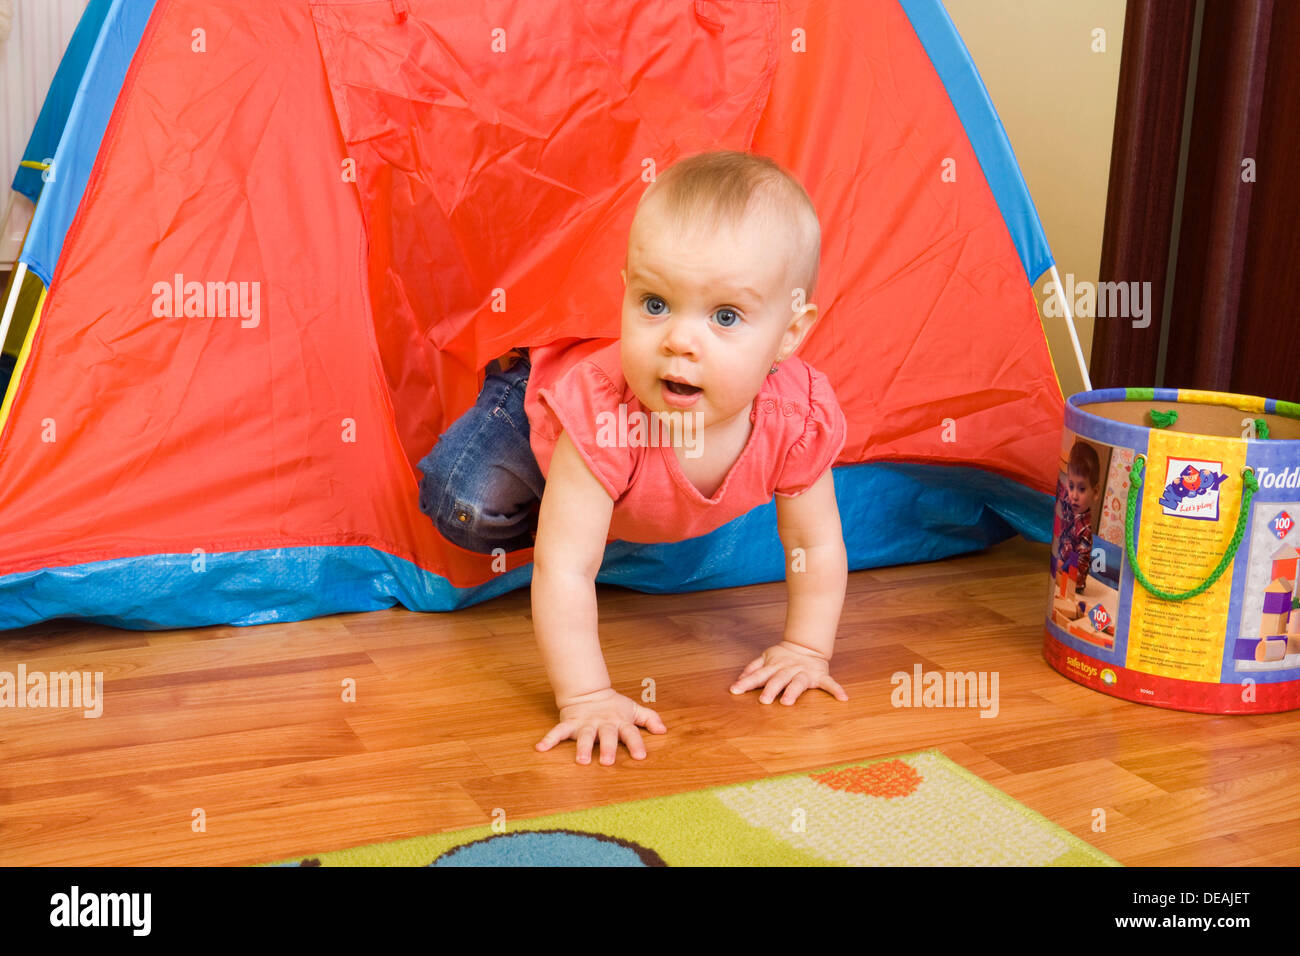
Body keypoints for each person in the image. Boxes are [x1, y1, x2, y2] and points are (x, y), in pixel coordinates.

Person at [418, 150, 849, 765]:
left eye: (725, 316)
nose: (677, 339)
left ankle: (596, 507)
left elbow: (818, 544)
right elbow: (563, 569)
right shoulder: (607, 415)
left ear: (789, 333)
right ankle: (554, 468)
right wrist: (586, 696)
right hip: (533, 409)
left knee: (595, 521)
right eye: (654, 304)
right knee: (467, 503)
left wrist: (807, 649)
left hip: (615, 473)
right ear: (625, 291)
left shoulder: (796, 418)